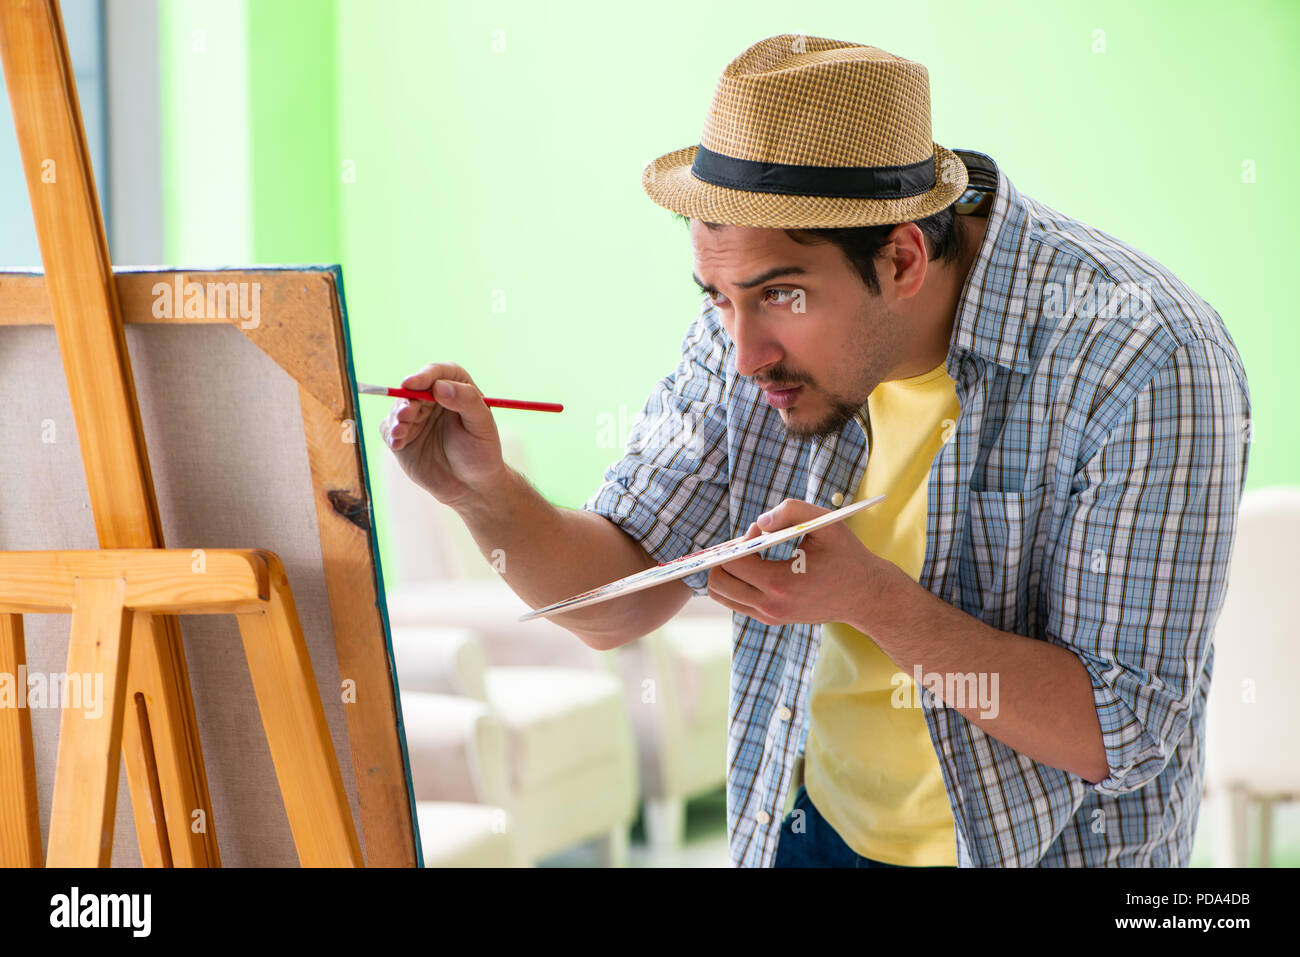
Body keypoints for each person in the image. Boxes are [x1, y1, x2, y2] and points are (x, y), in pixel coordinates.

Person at [381, 34, 1251, 868]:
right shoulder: (748, 331)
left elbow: (1122, 729)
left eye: (780, 295)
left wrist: (871, 598)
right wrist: (482, 493)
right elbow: (615, 604)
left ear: (903, 258)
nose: (744, 351)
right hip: (805, 835)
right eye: (718, 297)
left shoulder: (1144, 357)